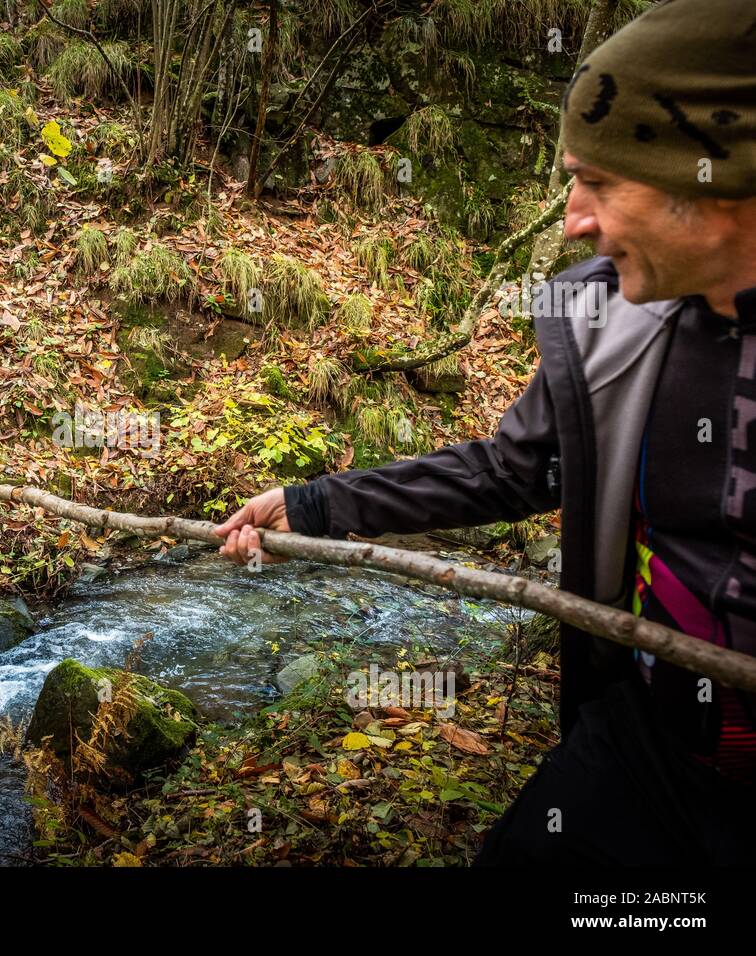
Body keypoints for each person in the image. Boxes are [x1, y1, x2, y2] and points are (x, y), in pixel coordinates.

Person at [215, 0, 756, 864]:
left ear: (711, 177)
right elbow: (515, 472)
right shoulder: (623, 326)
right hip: (648, 750)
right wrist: (311, 506)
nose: (574, 218)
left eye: (601, 182)